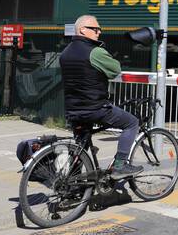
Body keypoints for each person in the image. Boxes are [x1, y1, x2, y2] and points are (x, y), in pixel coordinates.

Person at [59, 14, 142, 178]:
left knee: (81, 147)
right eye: (95, 29)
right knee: (132, 123)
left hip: (73, 110)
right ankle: (120, 165)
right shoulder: (95, 52)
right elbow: (115, 69)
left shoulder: (65, 52)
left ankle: (74, 186)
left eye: (99, 30)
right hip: (95, 108)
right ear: (82, 30)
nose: (99, 32)